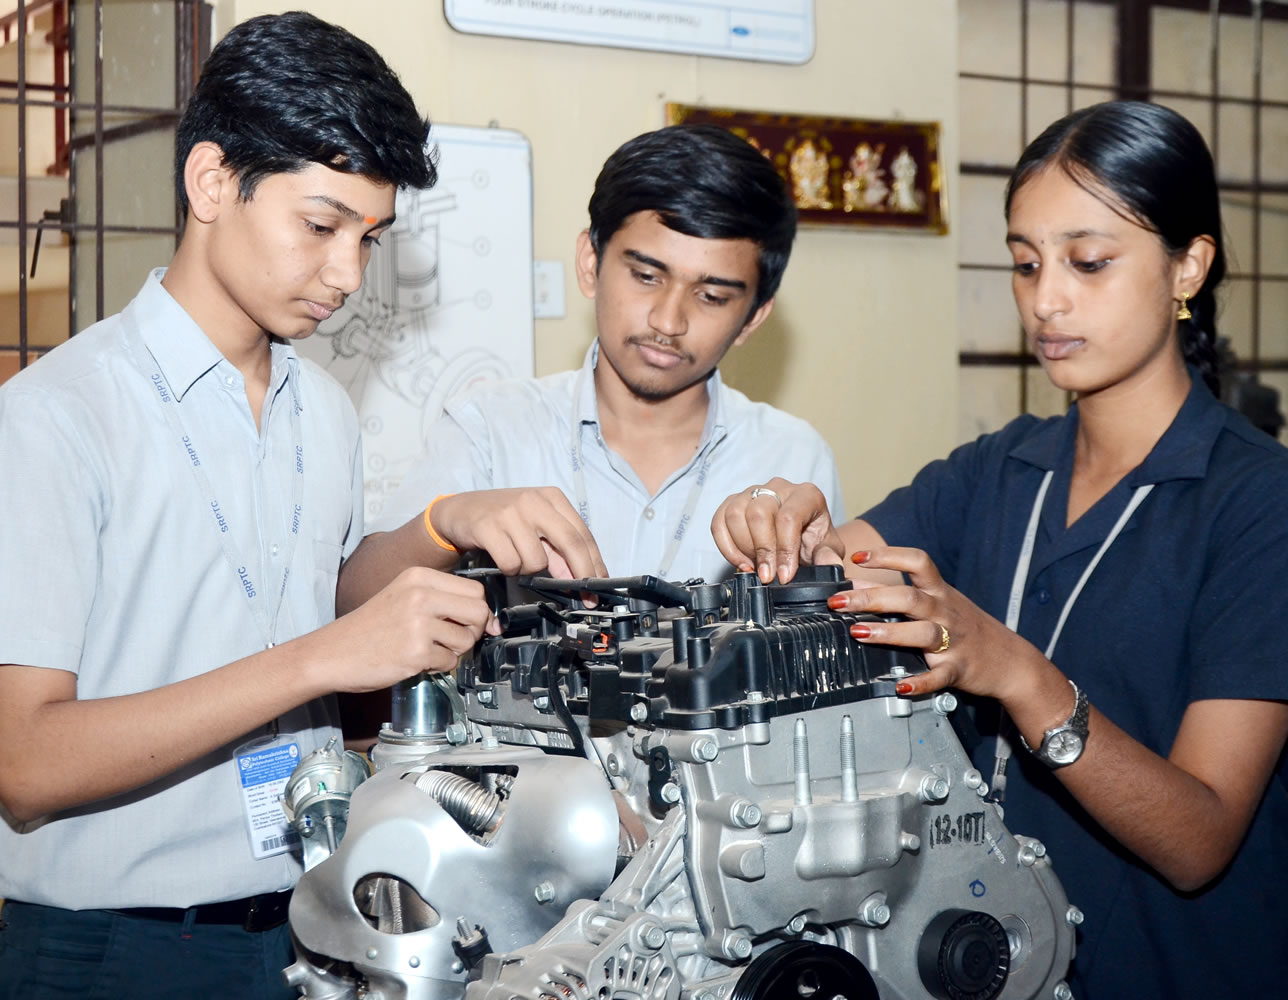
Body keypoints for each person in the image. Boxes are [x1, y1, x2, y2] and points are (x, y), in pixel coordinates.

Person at [711, 101, 1288, 999]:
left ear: (1189, 265)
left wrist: (1018, 673)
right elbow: (831, 565)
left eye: (1089, 262)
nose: (1045, 299)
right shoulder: (996, 470)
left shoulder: (1259, 503)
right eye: (1025, 263)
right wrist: (784, 523)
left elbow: (1200, 841)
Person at [0, 13, 500, 999]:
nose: (348, 275)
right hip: (105, 950)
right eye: (320, 226)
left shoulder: (321, 404)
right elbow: (25, 760)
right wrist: (318, 661)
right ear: (212, 184)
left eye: (370, 237)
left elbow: (329, 600)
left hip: (304, 920)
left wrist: (444, 528)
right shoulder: (53, 418)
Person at [339, 123, 844, 621]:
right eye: (645, 276)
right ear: (590, 262)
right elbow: (350, 605)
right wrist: (443, 523)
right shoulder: (490, 427)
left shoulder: (794, 457)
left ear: (753, 316)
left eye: (712, 296)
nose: (668, 321)